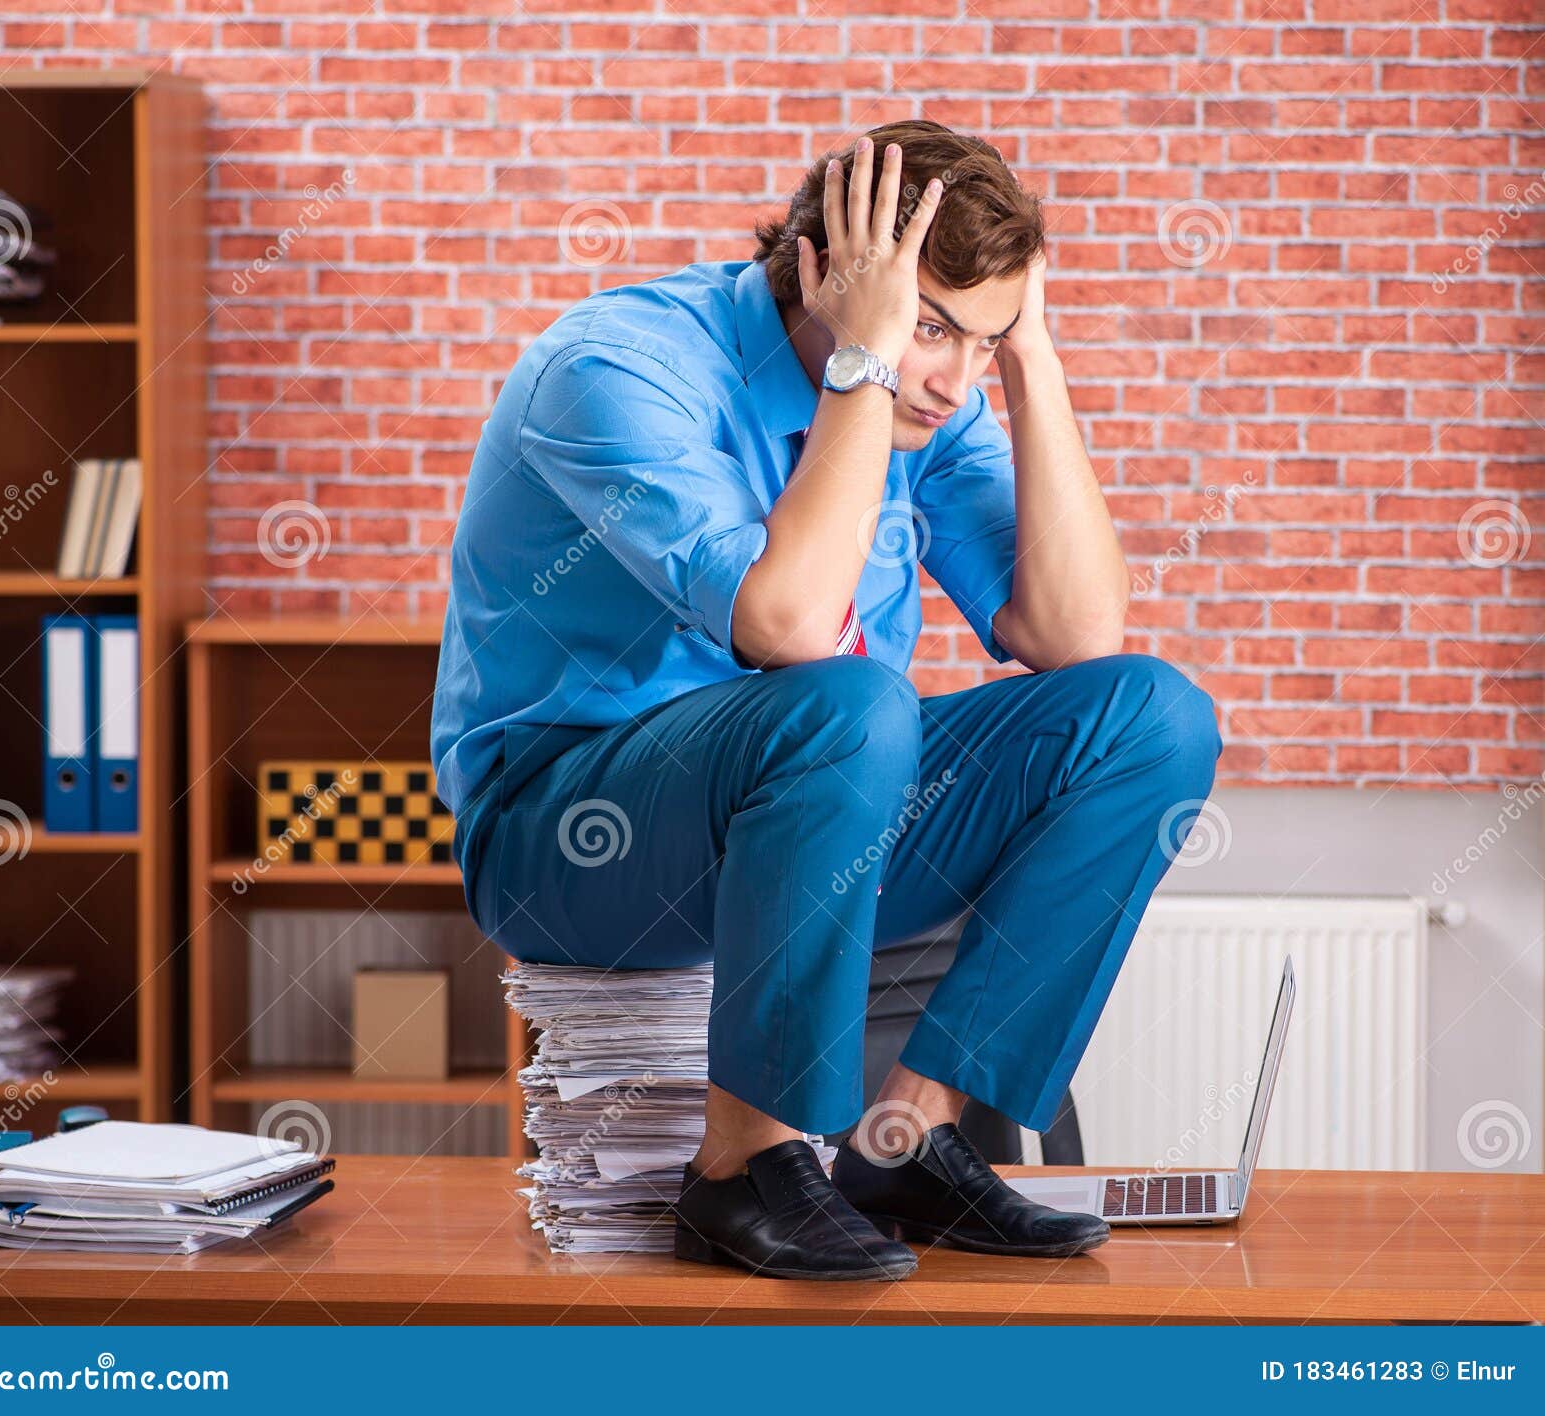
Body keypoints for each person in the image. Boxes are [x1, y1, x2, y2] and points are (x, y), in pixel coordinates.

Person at [432, 119, 1222, 1281]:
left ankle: (908, 1134)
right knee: (847, 702)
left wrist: (1031, 359)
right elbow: (788, 630)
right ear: (823, 273)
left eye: (979, 339)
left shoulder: (934, 405)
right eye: (932, 329)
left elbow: (1072, 635)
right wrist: (867, 355)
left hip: (821, 820)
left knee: (1148, 715)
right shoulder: (614, 368)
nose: (950, 378)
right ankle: (741, 1167)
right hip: (571, 837)